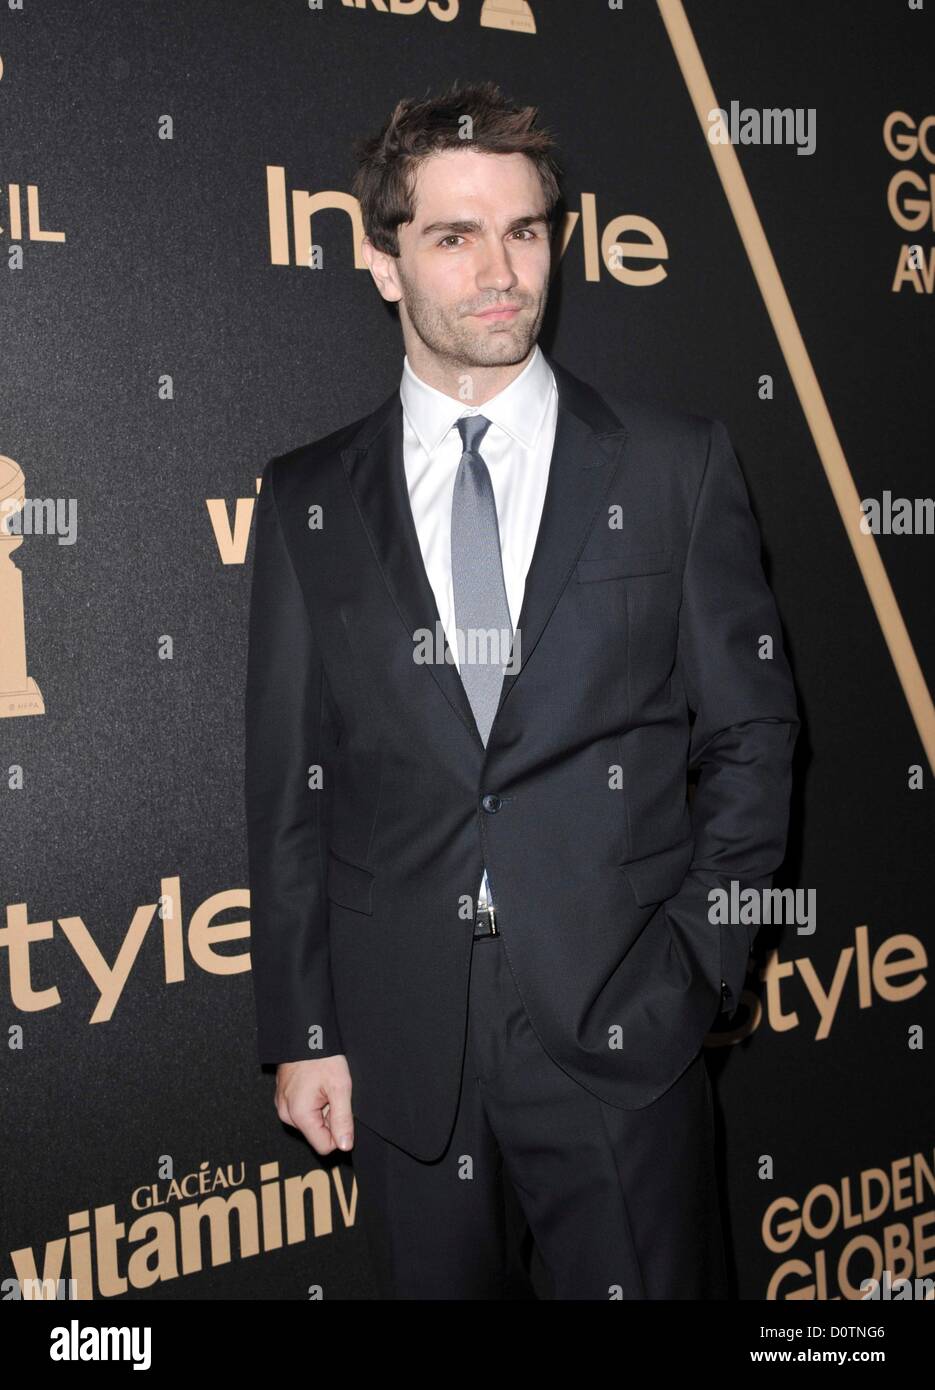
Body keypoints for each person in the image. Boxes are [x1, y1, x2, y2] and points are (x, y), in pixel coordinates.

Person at [244, 79, 799, 1299]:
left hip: (621, 1025)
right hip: (402, 1045)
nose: (502, 269)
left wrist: (693, 970)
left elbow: (753, 735)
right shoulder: (305, 500)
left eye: (525, 229)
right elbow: (289, 792)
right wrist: (302, 1027)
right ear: (383, 259)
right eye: (453, 234)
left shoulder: (670, 464)